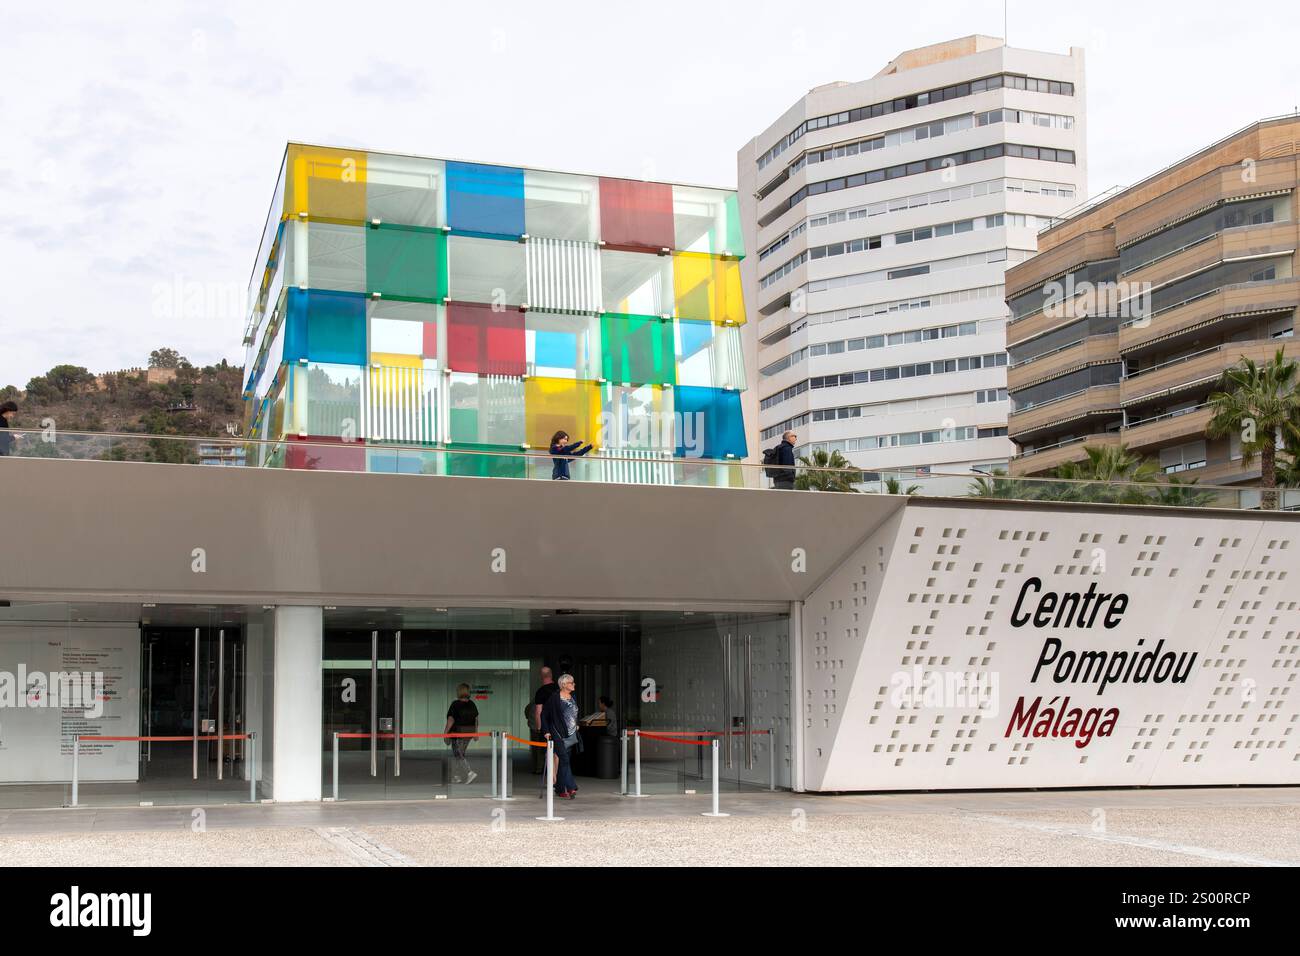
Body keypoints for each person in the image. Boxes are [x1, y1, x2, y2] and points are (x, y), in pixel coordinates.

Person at [541, 673, 581, 799]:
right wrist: (546, 731)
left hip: (571, 733)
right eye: (571, 682)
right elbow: (544, 714)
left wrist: (577, 724)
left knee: (565, 761)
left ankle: (559, 788)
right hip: (557, 733)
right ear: (563, 684)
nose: (574, 684)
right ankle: (571, 787)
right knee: (564, 759)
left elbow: (573, 713)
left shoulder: (573, 696)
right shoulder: (554, 698)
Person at [444, 683, 479, 785]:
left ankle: (469, 772)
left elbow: (451, 719)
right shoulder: (472, 704)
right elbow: (476, 719)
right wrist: (476, 733)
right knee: (461, 754)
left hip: (457, 733)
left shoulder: (455, 704)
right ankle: (457, 776)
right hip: (469, 733)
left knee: (458, 754)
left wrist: (445, 732)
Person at [530, 665, 558, 774]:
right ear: (551, 675)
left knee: (547, 753)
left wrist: (538, 728)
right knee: (558, 753)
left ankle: (552, 777)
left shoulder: (541, 691)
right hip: (560, 726)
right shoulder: (559, 689)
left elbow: (538, 712)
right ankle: (558, 777)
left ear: (541, 676)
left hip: (547, 727)